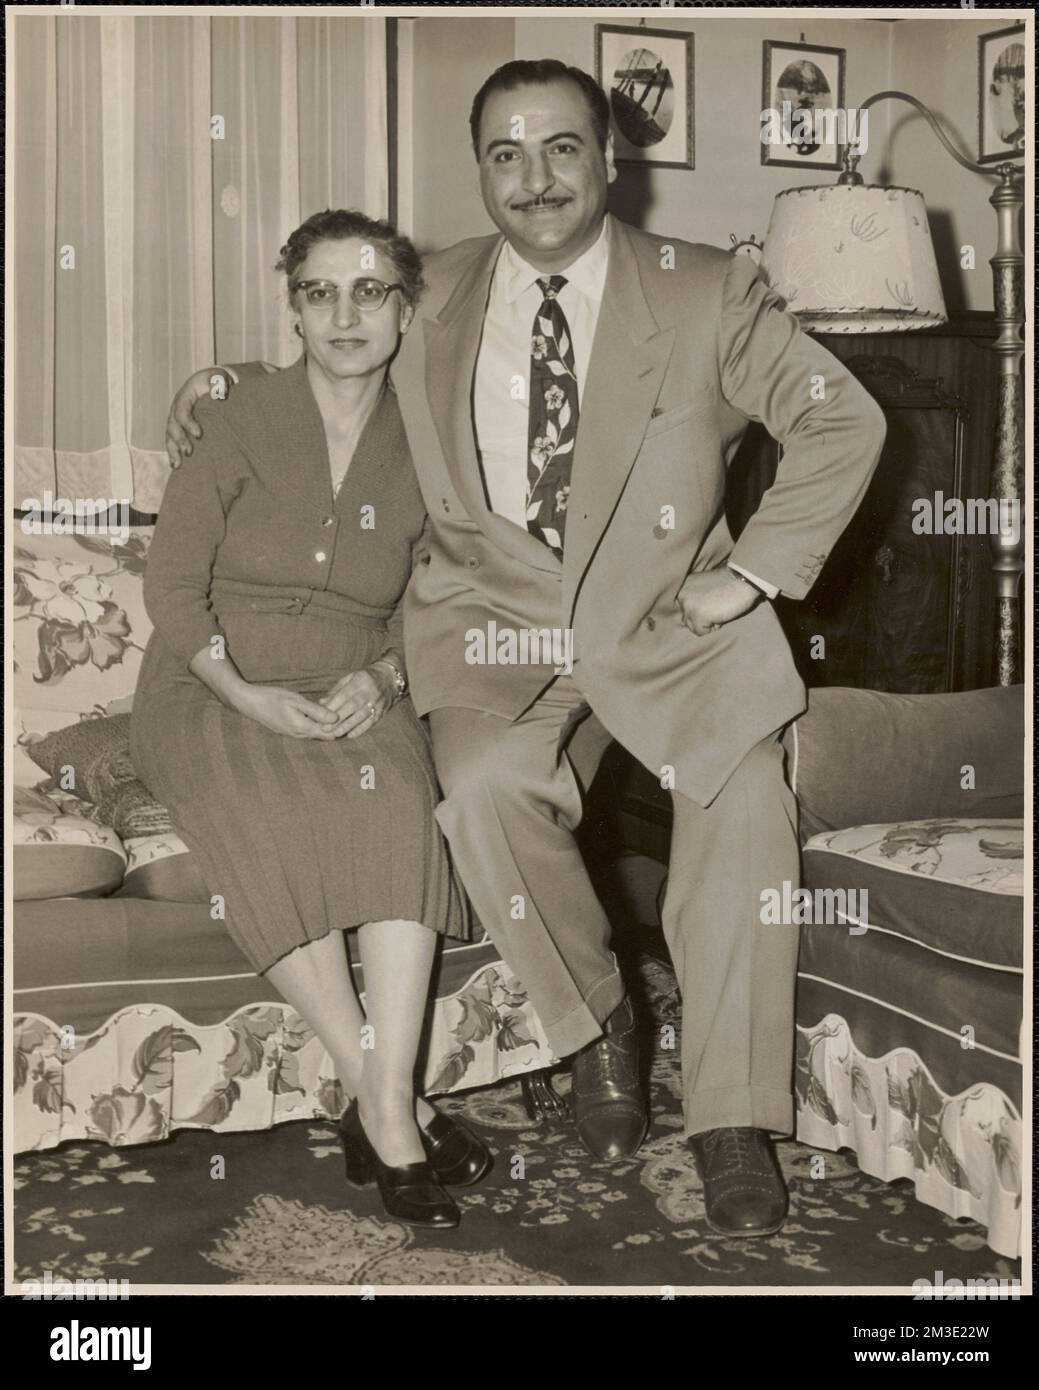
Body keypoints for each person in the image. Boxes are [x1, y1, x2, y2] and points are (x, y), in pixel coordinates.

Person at [166, 61, 886, 1239]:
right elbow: (333, 350)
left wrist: (752, 572)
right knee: (484, 791)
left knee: (743, 801)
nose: (534, 177)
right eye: (504, 153)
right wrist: (222, 382)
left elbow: (839, 415)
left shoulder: (706, 289)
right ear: (480, 171)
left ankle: (730, 1117)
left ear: (609, 157)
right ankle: (603, 1020)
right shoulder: (434, 289)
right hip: (496, 622)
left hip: (670, 622)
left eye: (560, 147)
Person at [135, 208, 491, 1231]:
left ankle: (377, 1105)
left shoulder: (432, 439)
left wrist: (383, 678)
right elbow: (172, 586)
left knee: (398, 810)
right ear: (291, 307)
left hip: (354, 677)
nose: (344, 315)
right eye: (319, 292)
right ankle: (391, 1107)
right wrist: (245, 693)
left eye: (370, 291)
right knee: (270, 809)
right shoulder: (236, 413)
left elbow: (439, 597)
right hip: (210, 679)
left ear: (405, 309)